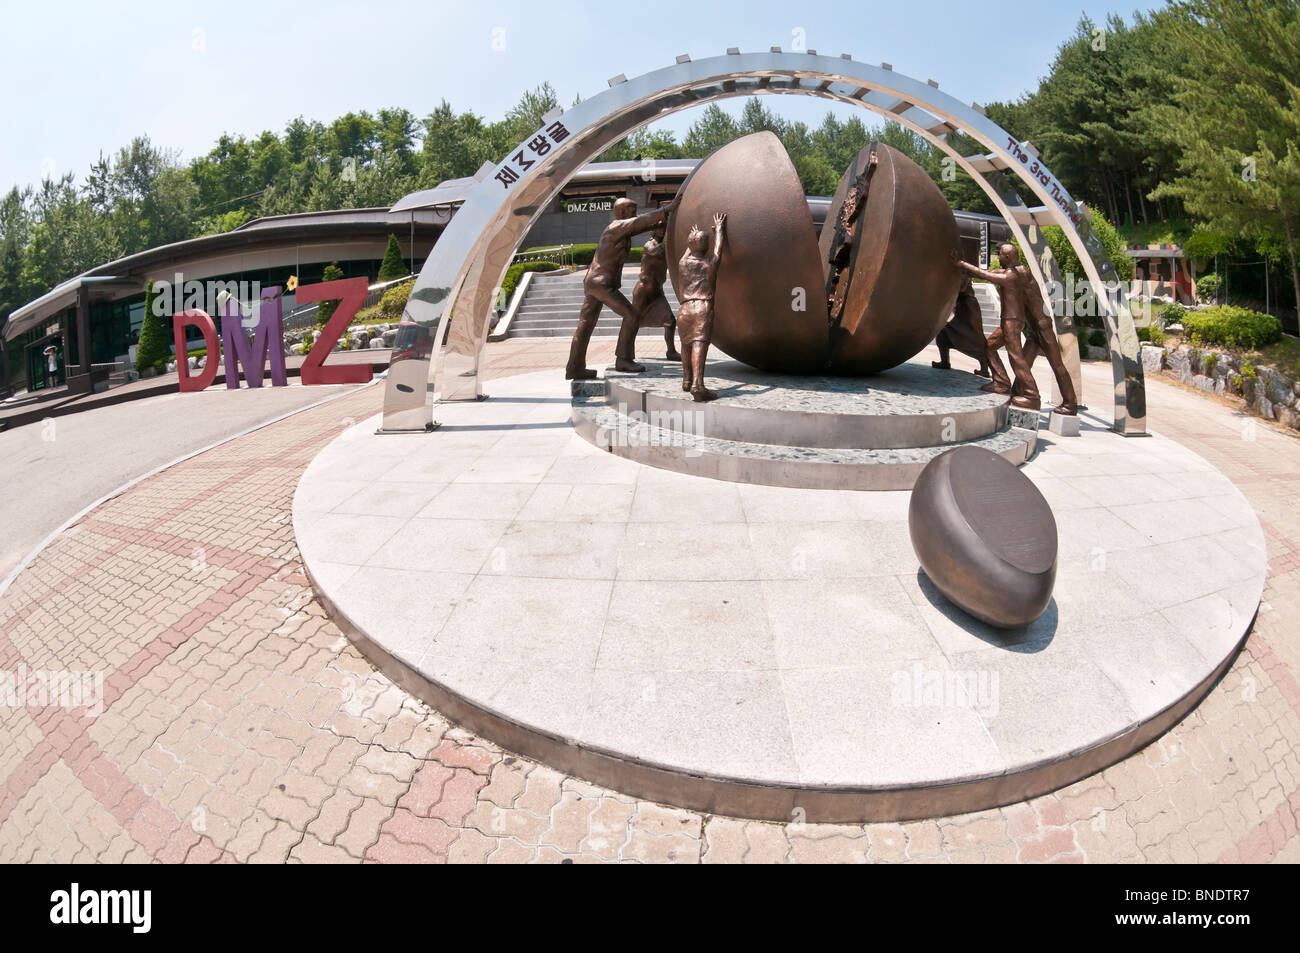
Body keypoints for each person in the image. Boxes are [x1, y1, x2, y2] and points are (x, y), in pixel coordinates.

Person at [565, 195, 680, 380]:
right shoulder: (616, 227)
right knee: (632, 315)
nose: (635, 215)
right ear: (622, 212)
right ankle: (623, 359)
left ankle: (574, 367)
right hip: (602, 284)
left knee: (585, 326)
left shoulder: (620, 230)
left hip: (594, 282)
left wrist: (666, 218)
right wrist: (666, 209)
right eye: (632, 212)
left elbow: (643, 225)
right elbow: (639, 223)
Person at [954, 243, 1077, 414]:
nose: (999, 259)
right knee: (1010, 356)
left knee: (1054, 364)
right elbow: (993, 273)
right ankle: (1005, 385)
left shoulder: (1015, 275)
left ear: (1009, 257)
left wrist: (964, 265)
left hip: (1041, 326)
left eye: (1002, 256)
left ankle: (1064, 403)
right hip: (1032, 327)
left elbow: (991, 275)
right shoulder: (1019, 271)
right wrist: (969, 269)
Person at [676, 213, 726, 402]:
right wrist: (719, 229)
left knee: (685, 343)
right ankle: (698, 385)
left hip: (684, 308)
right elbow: (718, 249)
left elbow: (688, 251)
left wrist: (694, 237)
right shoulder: (709, 265)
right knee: (699, 343)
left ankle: (687, 380)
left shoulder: (682, 264)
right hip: (702, 308)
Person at [631, 223, 681, 362]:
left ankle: (670, 352)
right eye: (660, 228)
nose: (663, 230)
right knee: (633, 322)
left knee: (670, 321)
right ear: (653, 230)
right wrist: (669, 237)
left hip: (657, 292)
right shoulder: (649, 245)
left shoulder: (665, 246)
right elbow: (656, 251)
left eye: (665, 228)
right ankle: (627, 352)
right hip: (643, 291)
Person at [932, 273, 991, 377]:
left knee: (973, 336)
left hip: (968, 307)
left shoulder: (963, 272)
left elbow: (962, 288)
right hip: (962, 305)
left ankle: (985, 367)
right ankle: (944, 362)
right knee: (943, 333)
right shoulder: (959, 271)